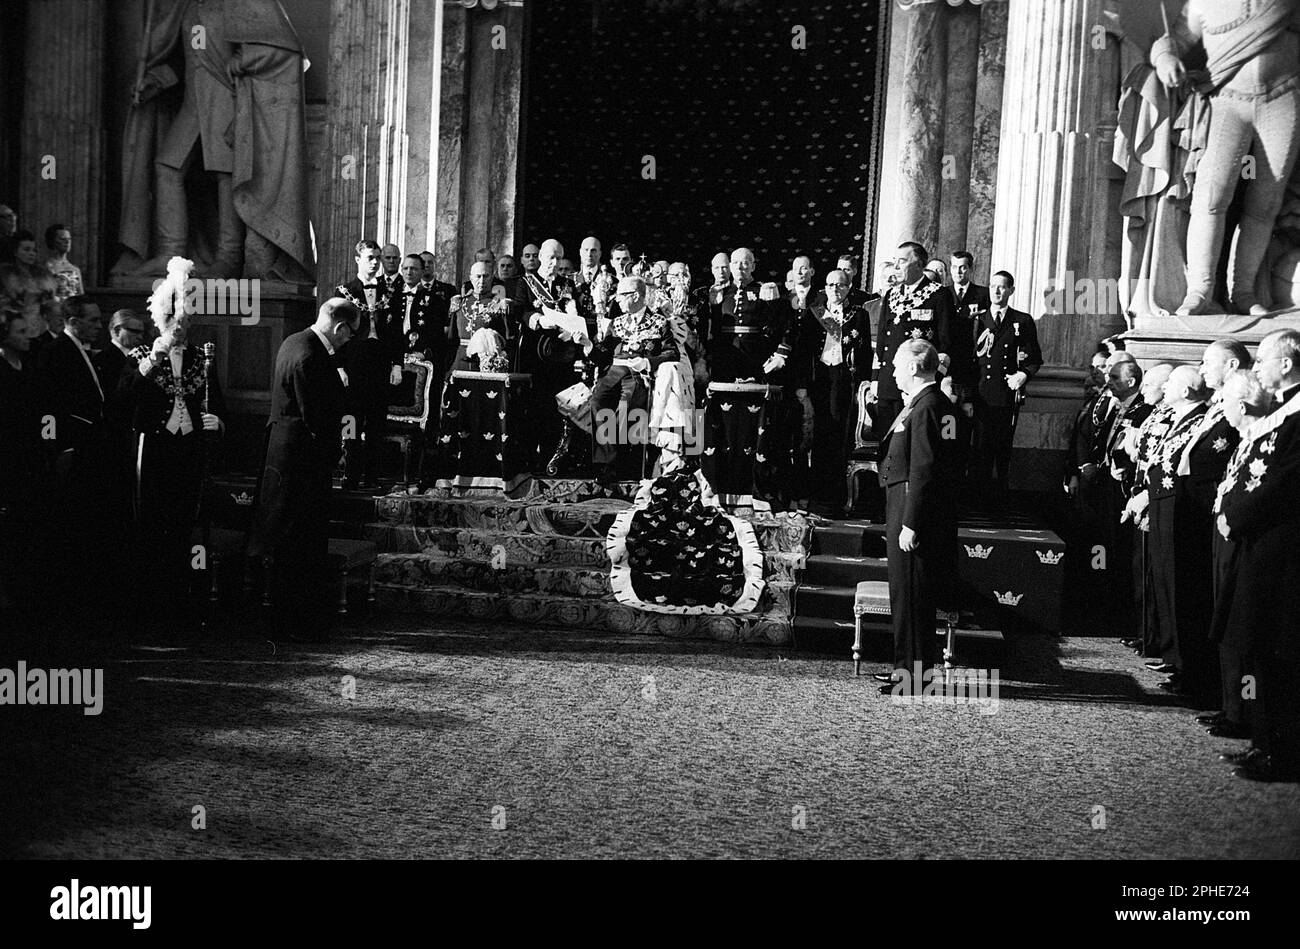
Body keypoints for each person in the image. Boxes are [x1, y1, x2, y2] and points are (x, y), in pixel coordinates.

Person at [122, 0, 313, 281]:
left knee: (226, 174)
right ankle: (170, 252)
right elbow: (182, 60)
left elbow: (278, 48)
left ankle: (229, 256)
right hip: (193, 104)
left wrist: (240, 64)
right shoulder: (188, 9)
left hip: (228, 99)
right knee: (167, 166)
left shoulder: (239, 4)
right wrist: (155, 80)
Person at [1153, 1, 1300, 316]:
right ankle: (1199, 291)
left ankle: (1243, 293)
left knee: (1266, 204)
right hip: (1226, 100)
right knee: (1210, 198)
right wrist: (1165, 57)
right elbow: (1174, 39)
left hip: (1283, 98)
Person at [1215, 329, 1300, 780]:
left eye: (1264, 360)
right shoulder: (1285, 411)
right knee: (1262, 648)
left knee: (1281, 653)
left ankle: (1281, 752)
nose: (1257, 368)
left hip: (1282, 550)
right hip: (1261, 546)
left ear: (1286, 364)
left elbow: (1282, 483)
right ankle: (1264, 743)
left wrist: (1237, 516)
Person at [248, 298, 359, 641]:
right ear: (340, 327)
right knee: (298, 541)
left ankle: (291, 618)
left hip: (286, 457)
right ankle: (295, 623)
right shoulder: (311, 354)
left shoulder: (293, 341)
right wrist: (338, 454)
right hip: (302, 463)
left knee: (288, 538)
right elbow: (316, 417)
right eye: (349, 334)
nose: (348, 341)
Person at [121, 285, 226, 623]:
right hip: (154, 451)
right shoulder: (140, 356)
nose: (179, 327)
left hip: (189, 451)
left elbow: (217, 404)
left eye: (184, 321)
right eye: (173, 320)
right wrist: (153, 359)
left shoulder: (200, 358)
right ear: (159, 320)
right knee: (152, 526)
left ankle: (183, 601)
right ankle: (148, 603)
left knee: (184, 526)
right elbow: (123, 401)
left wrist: (218, 422)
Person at [874, 340, 960, 694]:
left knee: (911, 593)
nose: (892, 372)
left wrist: (911, 523)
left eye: (896, 365)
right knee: (905, 593)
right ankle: (905, 668)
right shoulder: (925, 403)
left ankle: (913, 676)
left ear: (913, 368)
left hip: (912, 508)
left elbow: (925, 469)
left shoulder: (927, 407)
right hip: (905, 502)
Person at [1208, 368, 1270, 755]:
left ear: (1243, 405)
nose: (1221, 408)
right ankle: (1232, 707)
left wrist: (1234, 518)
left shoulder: (1263, 438)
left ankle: (1243, 712)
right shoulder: (1247, 439)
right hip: (1229, 533)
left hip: (1246, 540)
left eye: (1227, 402)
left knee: (1244, 633)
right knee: (1228, 625)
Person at [795, 268, 873, 516]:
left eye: (840, 285)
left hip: (843, 380)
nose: (835, 290)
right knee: (819, 435)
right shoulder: (814, 314)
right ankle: (818, 496)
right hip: (820, 379)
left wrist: (863, 385)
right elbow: (802, 352)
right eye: (830, 285)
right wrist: (802, 385)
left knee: (840, 434)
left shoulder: (858, 316)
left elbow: (864, 355)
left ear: (849, 288)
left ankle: (837, 497)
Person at [589, 276, 679, 484]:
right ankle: (606, 463)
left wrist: (647, 362)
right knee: (597, 402)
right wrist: (588, 345)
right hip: (614, 372)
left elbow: (672, 353)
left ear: (635, 295)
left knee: (626, 406)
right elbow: (603, 354)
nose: (617, 301)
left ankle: (616, 464)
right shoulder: (617, 323)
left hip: (638, 375)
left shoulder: (659, 322)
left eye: (621, 296)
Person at [871, 242, 953, 437]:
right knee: (885, 441)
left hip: (917, 385)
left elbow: (946, 344)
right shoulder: (891, 295)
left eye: (902, 261)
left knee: (912, 443)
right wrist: (876, 378)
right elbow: (882, 340)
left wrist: (934, 382)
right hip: (888, 382)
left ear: (919, 264)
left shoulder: (938, 295)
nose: (896, 267)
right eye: (895, 261)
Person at [972, 271, 1042, 494]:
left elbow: (1034, 358)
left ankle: (999, 497)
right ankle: (978, 497)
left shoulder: (1021, 321)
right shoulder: (978, 320)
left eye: (1002, 287)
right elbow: (969, 358)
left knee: (1002, 448)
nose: (996, 291)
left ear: (1011, 290)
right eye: (993, 286)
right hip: (980, 393)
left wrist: (1024, 375)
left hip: (1006, 393)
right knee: (980, 447)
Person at [336, 239, 396, 492]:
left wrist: (397, 365)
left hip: (379, 363)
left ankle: (371, 477)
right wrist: (339, 367)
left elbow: (395, 333)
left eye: (378, 258)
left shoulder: (390, 292)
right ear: (358, 259)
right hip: (353, 364)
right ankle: (350, 474)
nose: (375, 263)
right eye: (370, 257)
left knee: (376, 424)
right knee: (351, 421)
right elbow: (335, 333)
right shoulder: (344, 292)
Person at [44, 224, 83, 300]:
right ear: (53, 241)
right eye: (62, 239)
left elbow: (81, 296)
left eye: (69, 239)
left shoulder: (75, 269)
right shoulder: (47, 266)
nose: (67, 242)